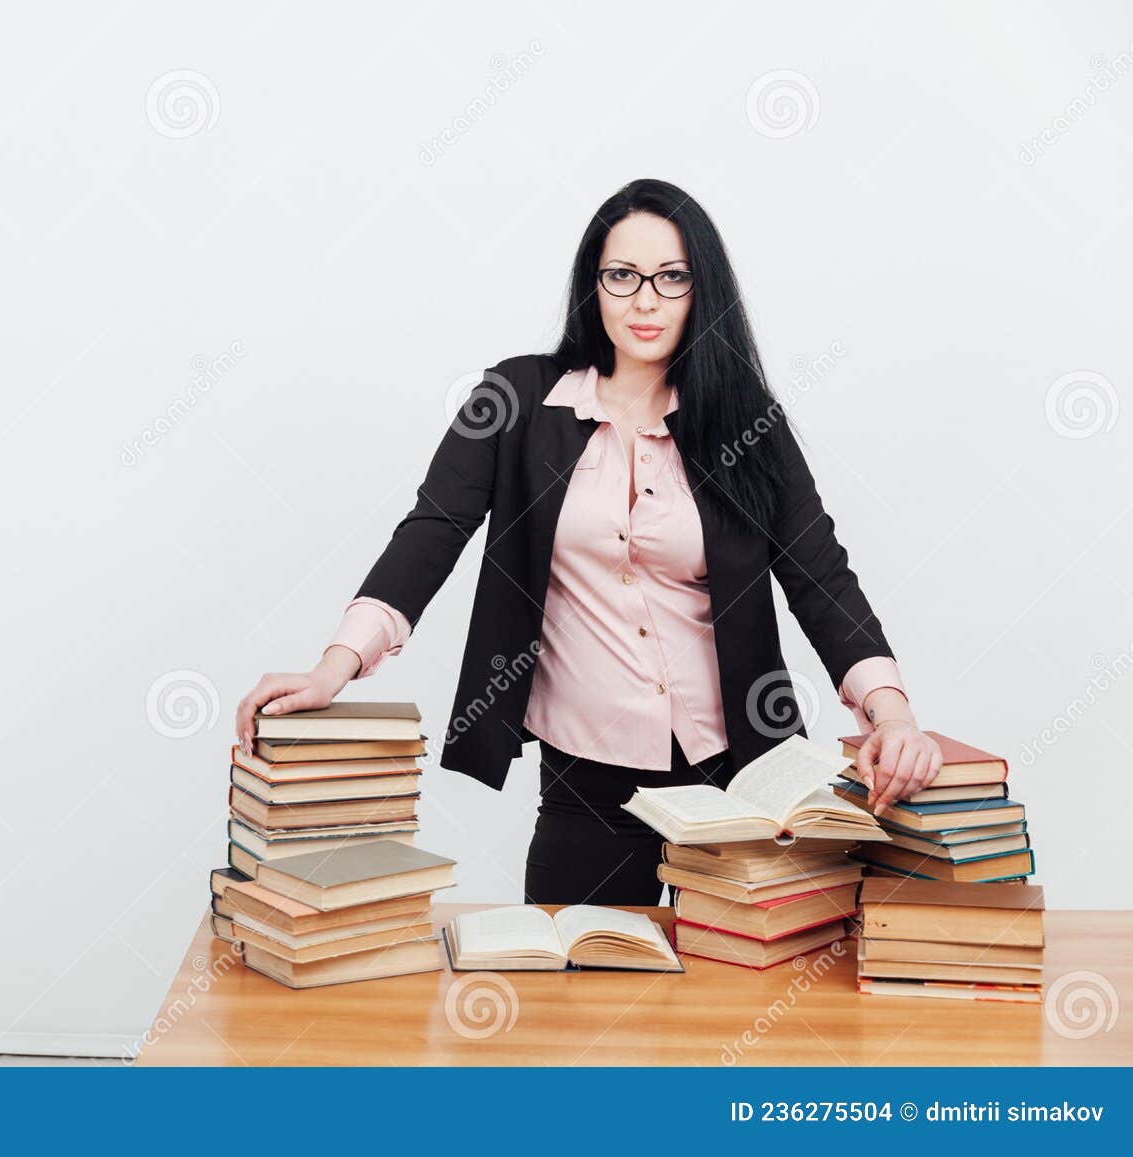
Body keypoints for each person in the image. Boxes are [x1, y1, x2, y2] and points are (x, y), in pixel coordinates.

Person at [233, 178, 943, 905]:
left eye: (672, 278)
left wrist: (893, 715)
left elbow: (819, 573)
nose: (645, 301)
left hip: (742, 774)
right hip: (588, 782)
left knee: (739, 1005)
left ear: (703, 289)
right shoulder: (513, 400)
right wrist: (332, 668)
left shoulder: (747, 418)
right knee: (577, 994)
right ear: (592, 284)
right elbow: (432, 531)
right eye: (623, 276)